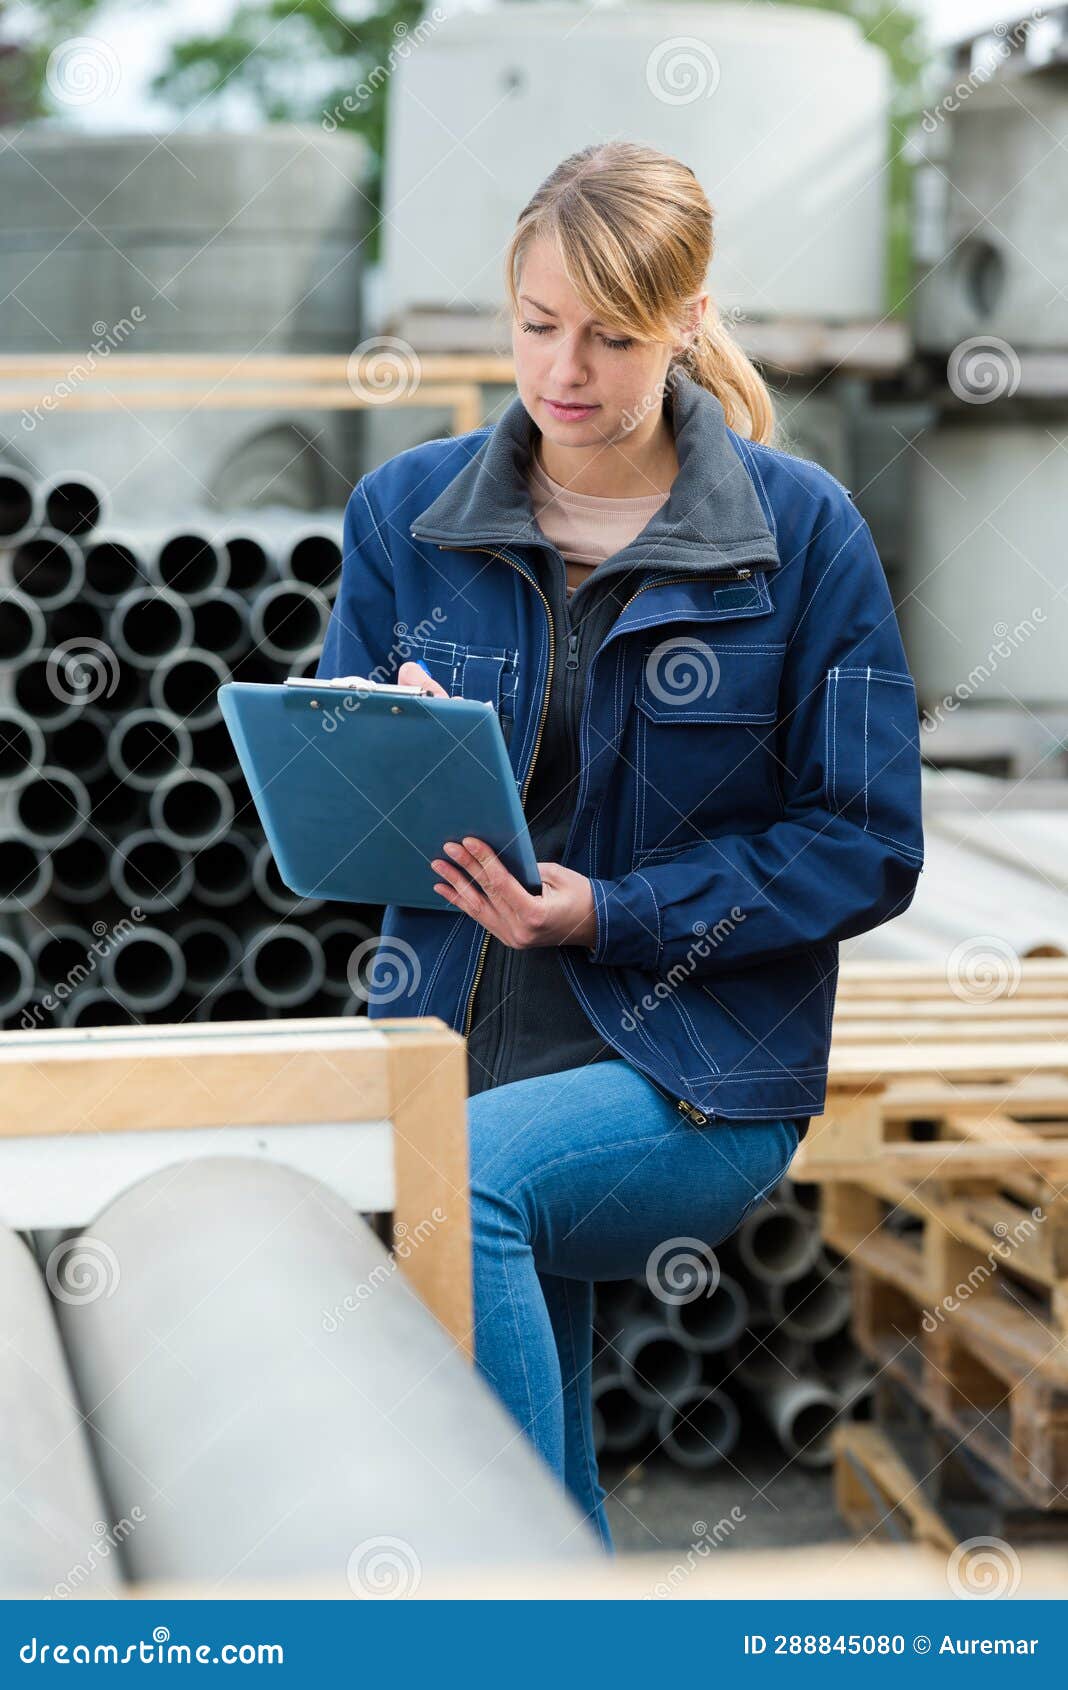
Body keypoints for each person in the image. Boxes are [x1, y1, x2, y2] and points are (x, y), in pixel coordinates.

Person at [317, 141, 925, 1553]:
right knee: (519, 1387)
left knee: (466, 1186)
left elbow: (868, 841)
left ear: (691, 317)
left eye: (611, 333)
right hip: (458, 1036)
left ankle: (540, 1621)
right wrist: (389, 766)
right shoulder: (406, 518)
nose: (564, 368)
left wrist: (614, 912)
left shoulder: (801, 535)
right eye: (536, 325)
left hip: (691, 1064)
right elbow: (343, 822)